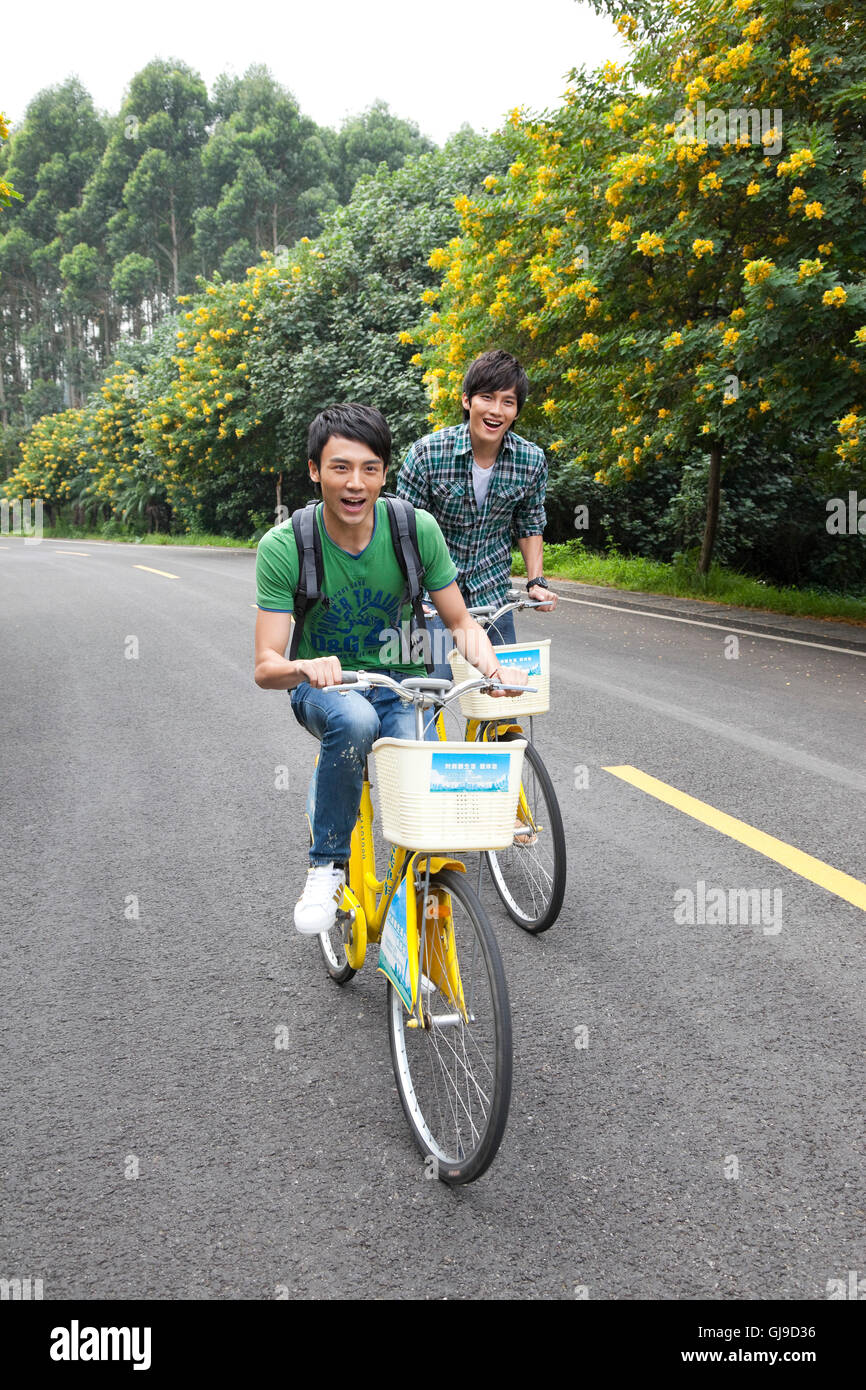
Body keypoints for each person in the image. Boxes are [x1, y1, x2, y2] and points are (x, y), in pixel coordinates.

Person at [254, 403, 526, 935]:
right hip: (326, 687)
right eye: (340, 467)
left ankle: (415, 908)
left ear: (384, 472)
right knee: (354, 723)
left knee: (424, 784)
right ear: (315, 471)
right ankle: (326, 866)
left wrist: (493, 669)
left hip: (405, 683)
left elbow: (460, 622)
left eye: (370, 468)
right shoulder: (286, 545)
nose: (356, 484)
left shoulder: (414, 528)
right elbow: (266, 667)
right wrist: (306, 666)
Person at [396, 348, 558, 677]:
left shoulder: (531, 460)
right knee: (428, 695)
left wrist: (535, 581)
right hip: (431, 596)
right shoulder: (427, 453)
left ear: (516, 411)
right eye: (487, 397)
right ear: (467, 400)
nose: (496, 410)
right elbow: (403, 532)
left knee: (506, 693)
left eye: (508, 402)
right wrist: (412, 592)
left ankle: (491, 729)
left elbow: (529, 524)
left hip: (492, 595)